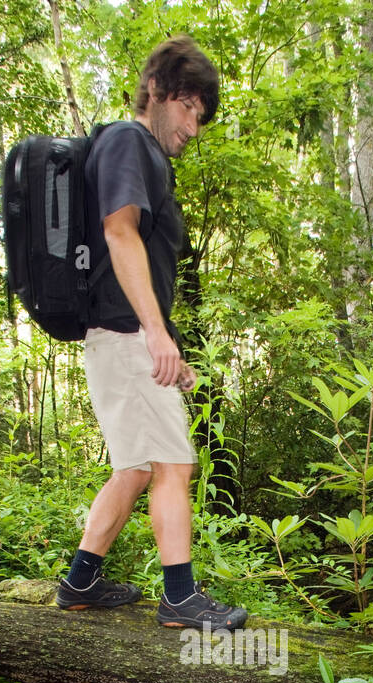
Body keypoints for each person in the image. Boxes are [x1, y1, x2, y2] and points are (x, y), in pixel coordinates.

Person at [55, 35, 248, 633]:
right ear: (158, 92)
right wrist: (155, 334)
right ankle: (180, 598)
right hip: (126, 332)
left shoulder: (136, 152)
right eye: (189, 107)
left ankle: (79, 581)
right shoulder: (127, 140)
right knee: (172, 464)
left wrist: (162, 341)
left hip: (120, 335)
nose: (195, 125)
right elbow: (120, 234)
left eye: (202, 115)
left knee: (136, 467)